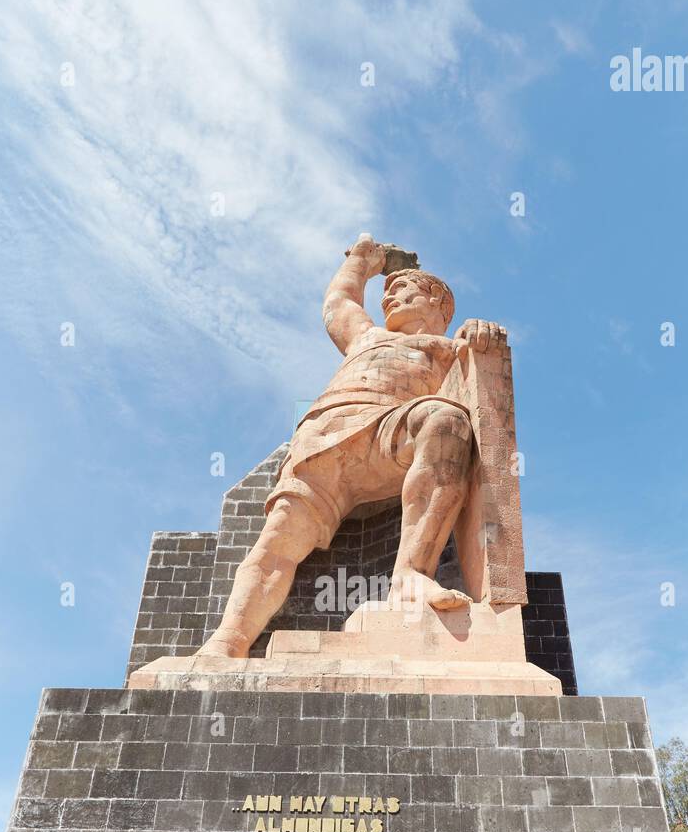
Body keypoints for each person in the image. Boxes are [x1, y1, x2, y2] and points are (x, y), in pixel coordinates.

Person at [198, 233, 507, 659]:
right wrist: (365, 259)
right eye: (387, 294)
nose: (388, 300)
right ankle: (226, 642)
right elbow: (338, 302)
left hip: (390, 431)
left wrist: (478, 334)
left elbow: (477, 374)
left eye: (402, 290)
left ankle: (412, 577)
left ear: (438, 301)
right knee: (276, 543)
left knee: (446, 418)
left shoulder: (449, 350)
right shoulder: (365, 337)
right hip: (324, 438)